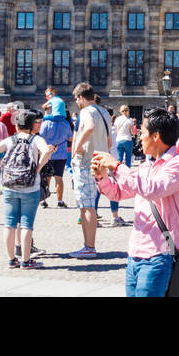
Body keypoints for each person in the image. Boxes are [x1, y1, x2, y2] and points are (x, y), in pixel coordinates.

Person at [93, 109, 179, 296]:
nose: (139, 137)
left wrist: (116, 166)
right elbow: (118, 193)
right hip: (135, 253)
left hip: (159, 254)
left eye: (143, 132)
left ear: (156, 136)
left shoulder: (178, 165)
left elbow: (151, 190)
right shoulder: (146, 166)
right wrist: (102, 178)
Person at [0, 109, 53, 268]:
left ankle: (11, 259)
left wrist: (3, 166)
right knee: (26, 224)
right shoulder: (36, 139)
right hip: (30, 186)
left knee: (9, 223)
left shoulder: (10, 140)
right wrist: (37, 168)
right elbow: (47, 151)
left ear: (16, 126)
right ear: (31, 125)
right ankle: (26, 261)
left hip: (10, 185)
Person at [66, 83, 111, 257]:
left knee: (87, 206)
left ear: (81, 98)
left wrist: (76, 147)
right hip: (100, 162)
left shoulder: (86, 111)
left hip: (86, 163)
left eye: (76, 99)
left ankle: (89, 247)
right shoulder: (104, 112)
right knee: (88, 205)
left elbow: (90, 127)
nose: (77, 103)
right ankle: (87, 245)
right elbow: (109, 142)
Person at [37, 106, 73, 209]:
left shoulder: (46, 123)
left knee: (46, 177)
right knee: (59, 178)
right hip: (61, 153)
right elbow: (70, 138)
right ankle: (60, 201)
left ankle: (43, 201)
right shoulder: (66, 123)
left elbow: (41, 137)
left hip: (48, 153)